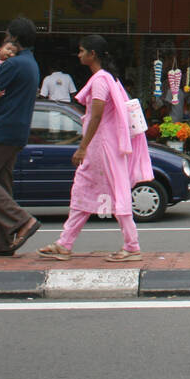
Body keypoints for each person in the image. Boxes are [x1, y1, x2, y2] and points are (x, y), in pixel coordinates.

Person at [37, 35, 153, 263]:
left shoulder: (101, 80)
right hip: (102, 145)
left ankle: (131, 246)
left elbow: (97, 115)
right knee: (83, 188)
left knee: (117, 192)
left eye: (81, 51)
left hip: (103, 146)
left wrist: (82, 147)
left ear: (93, 54)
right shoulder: (108, 78)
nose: (79, 55)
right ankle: (64, 243)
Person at [0, 16, 42, 256]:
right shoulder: (31, 63)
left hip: (1, 129)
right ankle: (0, 244)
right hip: (17, 130)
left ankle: (23, 221)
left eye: (8, 35)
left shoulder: (13, 64)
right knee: (1, 183)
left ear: (14, 38)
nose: (5, 39)